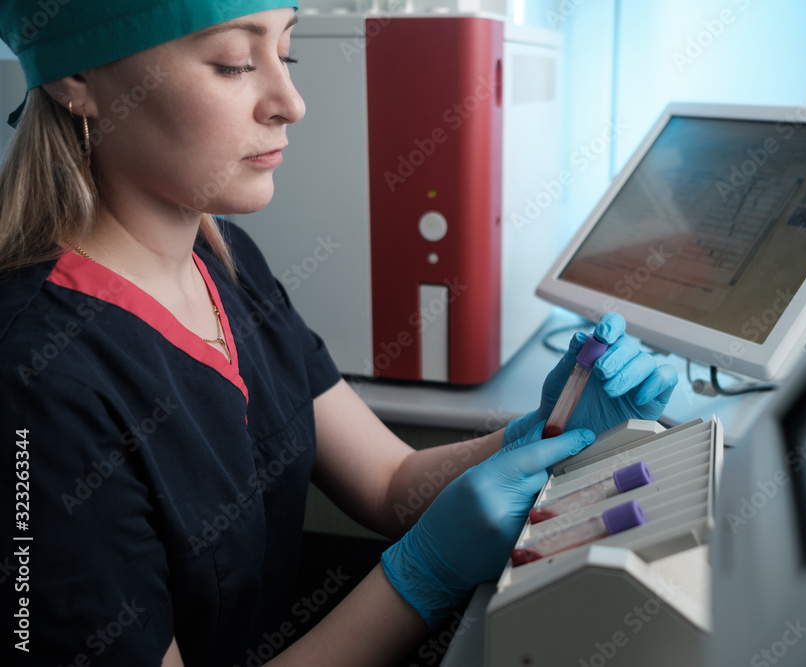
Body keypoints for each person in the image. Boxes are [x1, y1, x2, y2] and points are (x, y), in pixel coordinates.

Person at [0, 2, 679, 665]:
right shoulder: (36, 382)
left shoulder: (225, 262)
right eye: (235, 63)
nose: (290, 101)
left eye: (287, 51)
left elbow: (390, 481)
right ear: (78, 80)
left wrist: (545, 430)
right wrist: (421, 575)